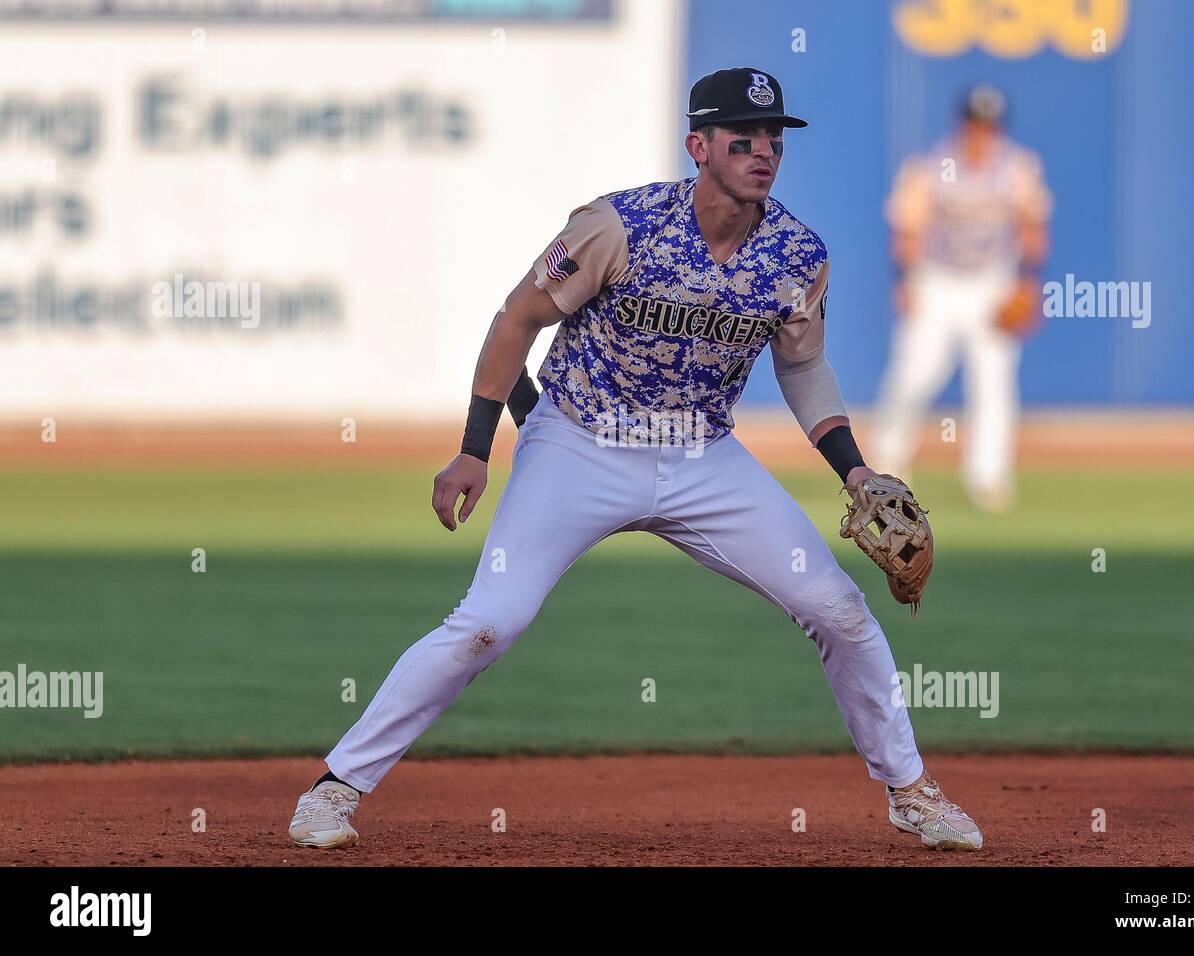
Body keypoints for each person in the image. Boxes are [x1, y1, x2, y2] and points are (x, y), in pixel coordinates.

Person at [288, 67, 983, 853]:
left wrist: (854, 470)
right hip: (581, 441)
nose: (763, 153)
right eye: (742, 138)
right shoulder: (619, 225)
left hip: (704, 457)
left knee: (839, 611)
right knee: (489, 622)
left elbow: (801, 365)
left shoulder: (796, 253)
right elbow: (517, 318)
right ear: (699, 146)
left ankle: (910, 791)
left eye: (774, 140)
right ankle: (334, 789)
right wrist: (475, 450)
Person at [872, 84, 1052, 511]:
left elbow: (1032, 224)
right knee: (916, 372)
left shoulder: (1018, 167)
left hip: (993, 284)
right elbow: (908, 227)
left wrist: (1028, 280)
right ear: (962, 124)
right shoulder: (932, 166)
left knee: (994, 381)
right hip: (937, 281)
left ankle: (989, 476)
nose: (982, 134)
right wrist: (906, 279)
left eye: (990, 126)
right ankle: (887, 463)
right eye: (976, 125)